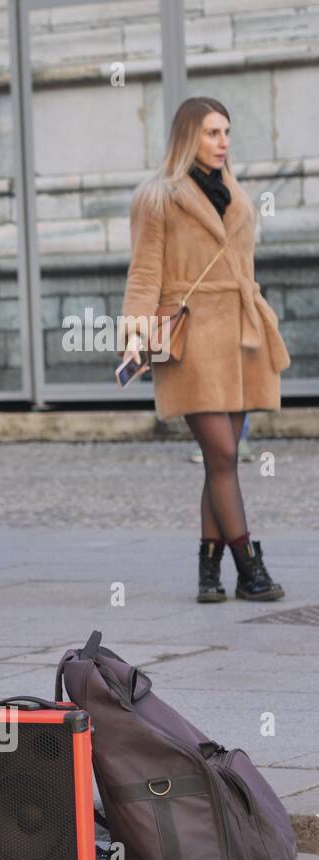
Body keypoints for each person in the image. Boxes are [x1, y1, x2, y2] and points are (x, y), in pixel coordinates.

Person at [120, 96, 290, 602]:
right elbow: (145, 272)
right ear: (188, 137)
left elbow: (245, 270)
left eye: (227, 133)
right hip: (189, 337)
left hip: (239, 339)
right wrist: (135, 332)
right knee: (222, 452)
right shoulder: (157, 198)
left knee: (223, 460)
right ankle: (249, 568)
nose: (223, 143)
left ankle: (208, 571)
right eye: (213, 133)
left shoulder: (238, 195)